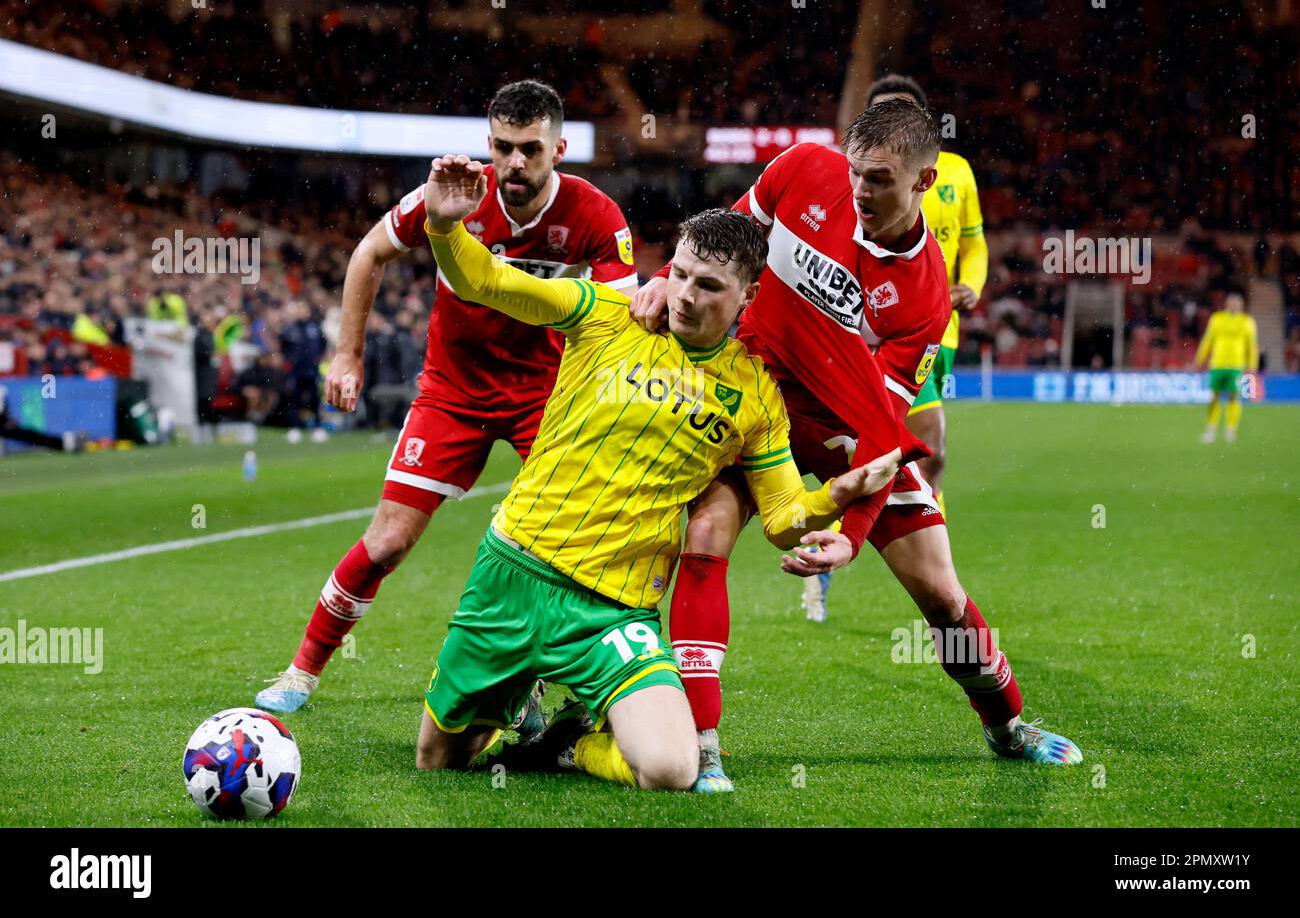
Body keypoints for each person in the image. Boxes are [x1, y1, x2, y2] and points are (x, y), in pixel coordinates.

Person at [630, 100, 1083, 787]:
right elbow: (721, 241)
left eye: (878, 179)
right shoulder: (804, 171)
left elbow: (880, 434)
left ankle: (1007, 724)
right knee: (706, 536)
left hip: (849, 438)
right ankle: (704, 740)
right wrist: (667, 276)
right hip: (755, 405)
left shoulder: (925, 297)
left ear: (924, 181)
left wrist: (852, 529)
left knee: (941, 592)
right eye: (854, 173)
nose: (858, 192)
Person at [414, 155, 902, 790]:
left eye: (709, 287)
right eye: (683, 275)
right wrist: (447, 230)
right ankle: (519, 698)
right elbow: (487, 282)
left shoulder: (754, 395)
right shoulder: (603, 314)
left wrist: (835, 495)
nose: (686, 296)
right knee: (440, 759)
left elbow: (783, 522)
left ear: (748, 296)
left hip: (614, 609)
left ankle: (569, 746)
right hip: (514, 570)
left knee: (672, 770)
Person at [257, 80, 638, 713]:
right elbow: (368, 252)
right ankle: (302, 671)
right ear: (489, 144)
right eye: (504, 147)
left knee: (562, 545)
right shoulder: (454, 196)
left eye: (531, 150)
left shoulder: (595, 215)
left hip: (547, 396)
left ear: (559, 149)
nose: (515, 163)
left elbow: (625, 312)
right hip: (452, 393)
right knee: (388, 542)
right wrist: (347, 353)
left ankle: (554, 684)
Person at [799, 75, 989, 622]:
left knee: (925, 455)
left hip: (933, 330)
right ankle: (833, 563)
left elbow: (974, 241)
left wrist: (971, 282)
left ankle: (931, 576)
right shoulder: (851, 178)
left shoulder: (956, 173)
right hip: (864, 332)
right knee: (880, 444)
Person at [1195, 290, 1259, 443]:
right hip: (1217, 364)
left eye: (1237, 302)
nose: (1234, 304)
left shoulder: (1247, 321)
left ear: (1241, 304)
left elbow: (1252, 345)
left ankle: (1230, 430)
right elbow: (1207, 340)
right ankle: (1211, 429)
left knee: (1234, 397)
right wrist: (1200, 359)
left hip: (1236, 366)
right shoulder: (1217, 319)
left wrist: (1252, 364)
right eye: (1231, 301)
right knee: (1214, 397)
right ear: (1226, 303)